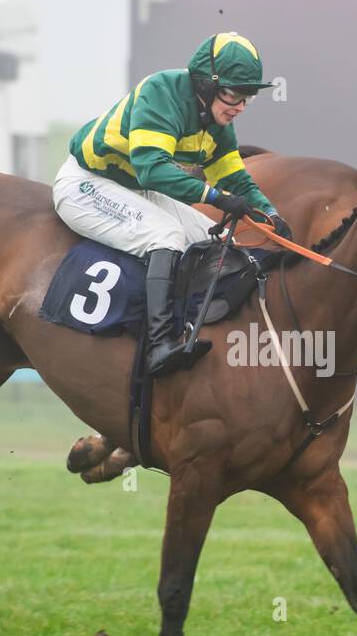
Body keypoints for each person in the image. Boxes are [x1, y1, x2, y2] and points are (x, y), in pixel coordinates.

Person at [53, 32, 290, 377]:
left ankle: (200, 327)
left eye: (247, 98)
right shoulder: (162, 92)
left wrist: (269, 212)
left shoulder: (218, 122)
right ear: (207, 86)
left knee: (217, 241)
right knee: (165, 236)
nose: (239, 106)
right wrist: (214, 198)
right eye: (233, 94)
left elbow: (234, 178)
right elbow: (152, 169)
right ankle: (158, 345)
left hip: (132, 188)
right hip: (87, 183)